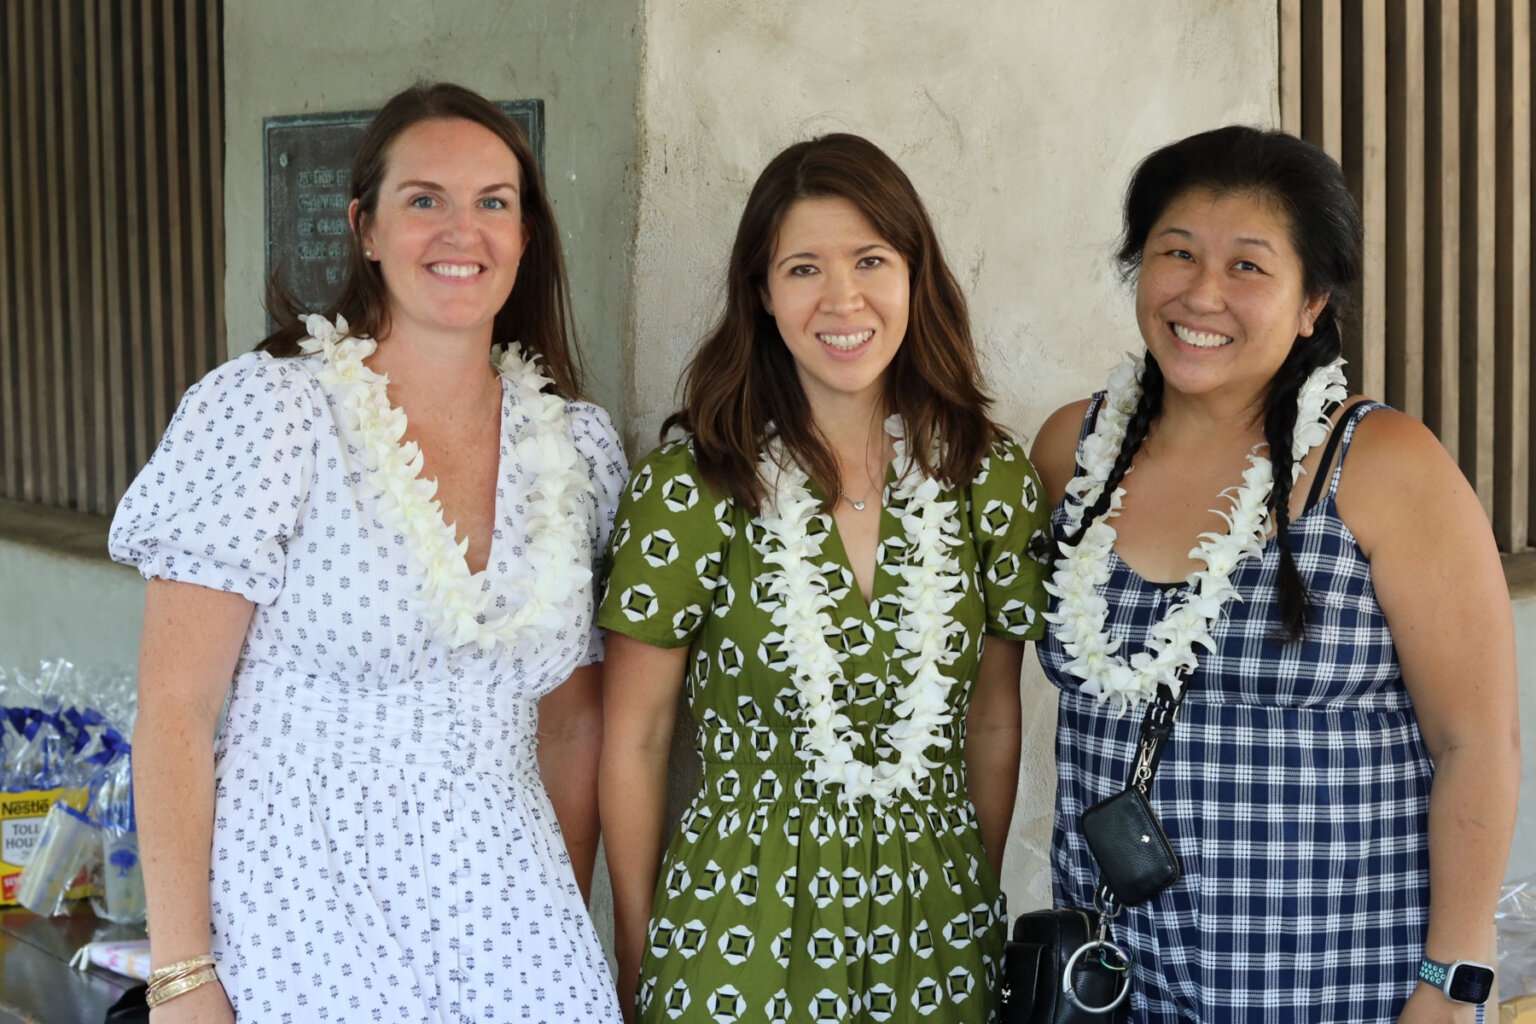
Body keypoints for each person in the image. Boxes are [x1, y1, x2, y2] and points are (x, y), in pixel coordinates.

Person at [109, 82, 625, 1023]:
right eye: (424, 200)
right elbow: (176, 709)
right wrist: (182, 973)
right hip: (304, 894)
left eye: (492, 204)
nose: (460, 231)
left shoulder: (576, 447)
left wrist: (561, 920)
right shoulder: (270, 412)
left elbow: (574, 724)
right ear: (367, 229)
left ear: (525, 235)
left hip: (512, 900)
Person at [1032, 125, 1519, 1023]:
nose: (1202, 293)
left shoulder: (1382, 465)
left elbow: (1475, 744)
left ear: (1311, 303)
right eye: (1175, 253)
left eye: (1248, 266)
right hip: (1115, 987)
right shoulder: (1075, 452)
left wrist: (1453, 984)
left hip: (1340, 987)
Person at [597, 133, 1051, 1024]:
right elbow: (638, 736)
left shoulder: (987, 476)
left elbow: (995, 716)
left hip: (938, 922)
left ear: (915, 276)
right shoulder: (694, 484)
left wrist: (971, 893)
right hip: (736, 920)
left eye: (871, 260)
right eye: (803, 268)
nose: (843, 299)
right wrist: (641, 947)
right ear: (762, 295)